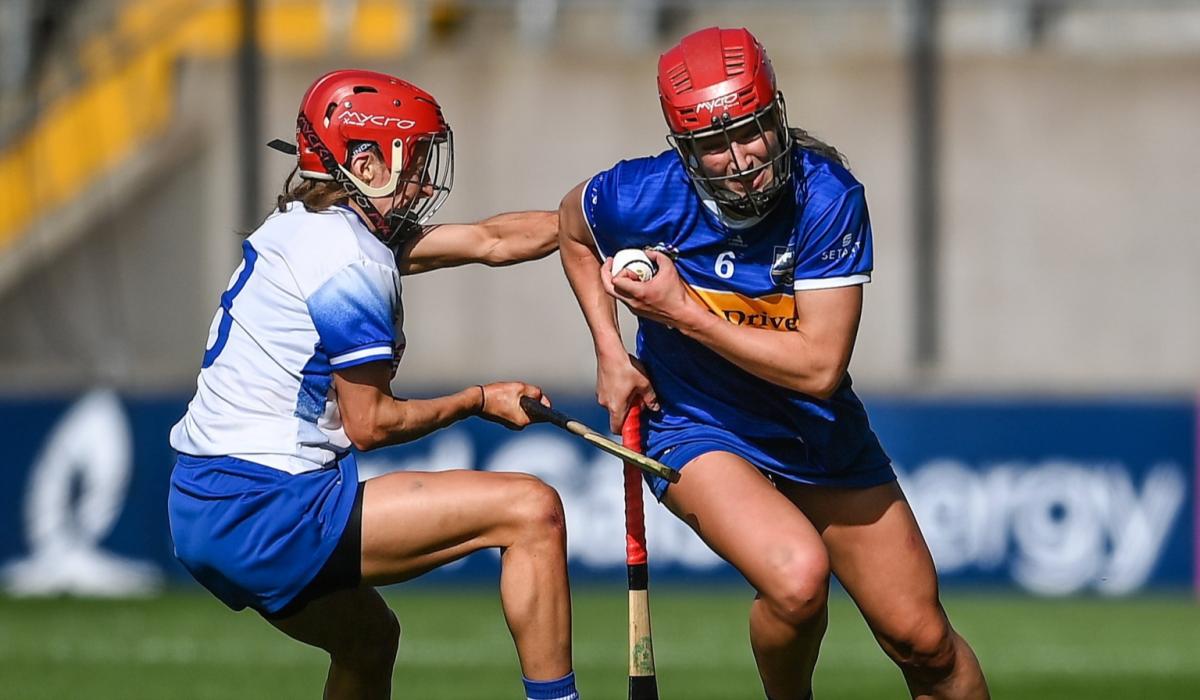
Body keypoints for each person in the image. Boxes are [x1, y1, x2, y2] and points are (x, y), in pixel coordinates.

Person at [558, 27, 988, 700]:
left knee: (924, 642)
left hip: (811, 427)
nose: (739, 160)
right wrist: (610, 352)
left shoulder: (827, 198)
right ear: (684, 149)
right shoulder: (640, 193)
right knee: (796, 580)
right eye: (713, 144)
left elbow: (818, 369)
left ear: (776, 113)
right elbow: (572, 227)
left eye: (750, 130)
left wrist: (685, 312)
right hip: (696, 423)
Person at [168, 69, 579, 700]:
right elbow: (372, 423)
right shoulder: (350, 258)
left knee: (368, 640)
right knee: (532, 510)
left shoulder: (302, 224)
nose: (425, 181)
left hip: (200, 502)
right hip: (266, 508)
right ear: (365, 163)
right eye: (413, 161)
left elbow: (491, 240)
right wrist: (477, 400)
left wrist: (608, 218)